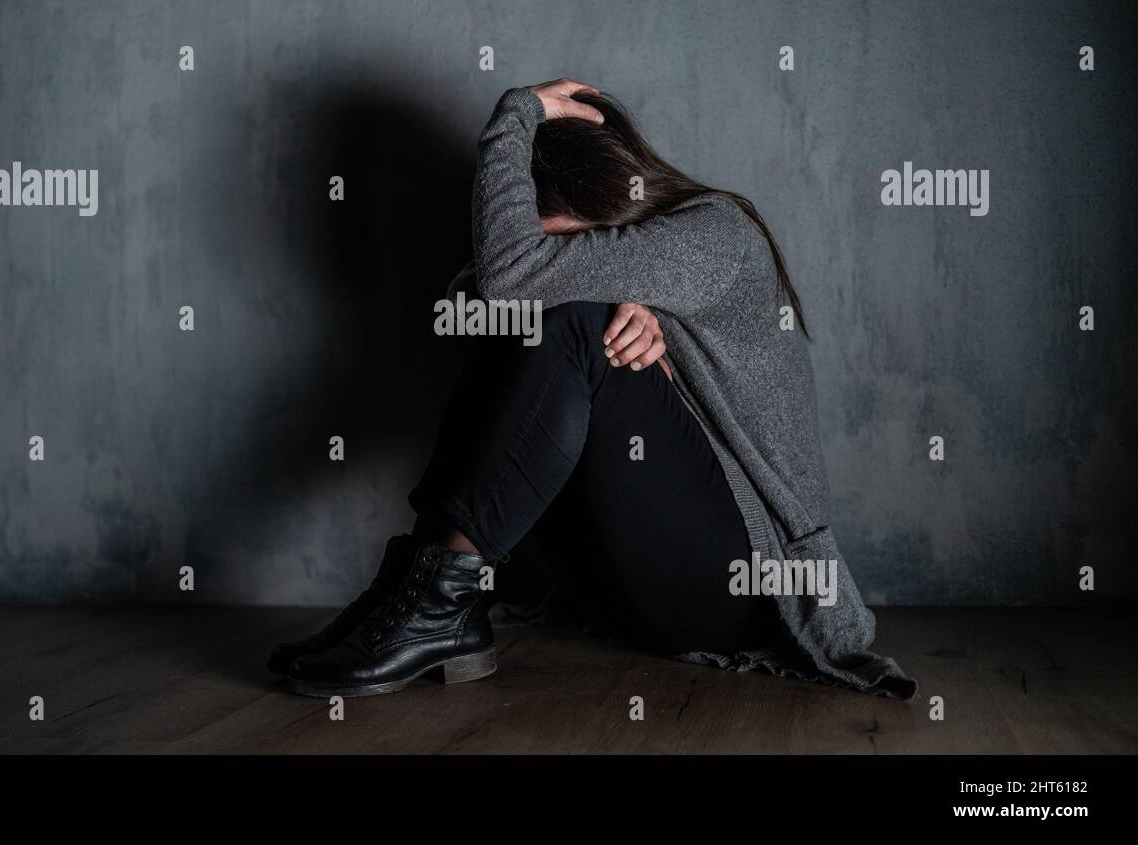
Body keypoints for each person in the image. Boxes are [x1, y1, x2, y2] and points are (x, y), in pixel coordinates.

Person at [268, 78, 916, 701]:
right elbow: (476, 296)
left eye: (568, 247)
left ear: (609, 205)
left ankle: (437, 602)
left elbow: (510, 276)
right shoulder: (634, 260)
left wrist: (516, 114)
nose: (562, 270)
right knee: (540, 314)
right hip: (620, 582)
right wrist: (613, 291)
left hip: (744, 591)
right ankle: (421, 589)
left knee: (572, 319)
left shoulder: (719, 234)